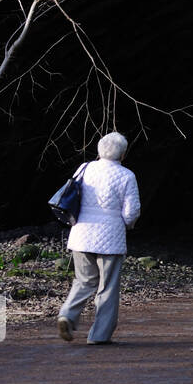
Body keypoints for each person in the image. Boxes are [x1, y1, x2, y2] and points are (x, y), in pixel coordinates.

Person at [57, 132, 141, 345]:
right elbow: (131, 212)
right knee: (108, 287)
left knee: (84, 281)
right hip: (111, 238)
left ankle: (67, 314)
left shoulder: (84, 168)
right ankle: (99, 335)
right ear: (123, 154)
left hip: (82, 234)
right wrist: (127, 225)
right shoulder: (127, 175)